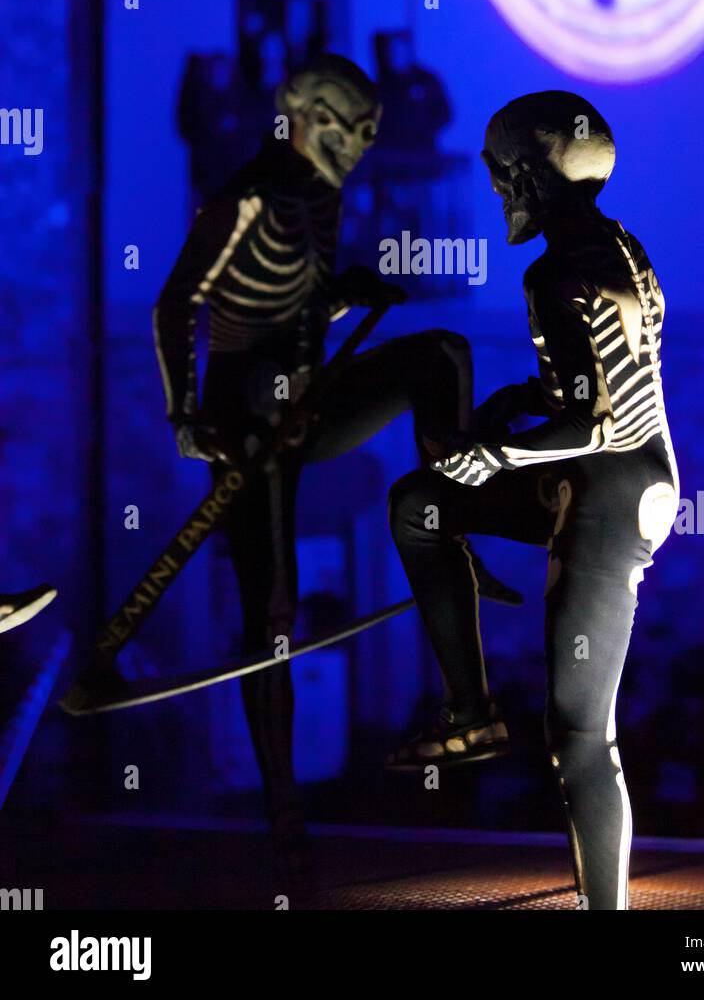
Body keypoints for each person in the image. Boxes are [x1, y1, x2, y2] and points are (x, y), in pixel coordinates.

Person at [153, 52, 518, 867]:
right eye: (349, 127)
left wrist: (346, 291)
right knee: (273, 611)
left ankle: (442, 523)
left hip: (310, 396)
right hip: (248, 419)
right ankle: (283, 807)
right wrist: (185, 415)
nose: (360, 144)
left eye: (368, 131)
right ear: (304, 115)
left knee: (443, 353)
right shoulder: (245, 195)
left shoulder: (324, 192)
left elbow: (298, 304)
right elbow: (180, 299)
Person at [386, 91, 679, 911]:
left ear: (531, 174)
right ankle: (469, 709)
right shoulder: (619, 247)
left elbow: (594, 419)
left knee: (580, 732)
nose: (495, 190)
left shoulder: (555, 270)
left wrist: (495, 453)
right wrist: (514, 410)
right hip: (602, 480)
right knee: (421, 504)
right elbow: (590, 382)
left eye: (501, 172)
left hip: (606, 491)